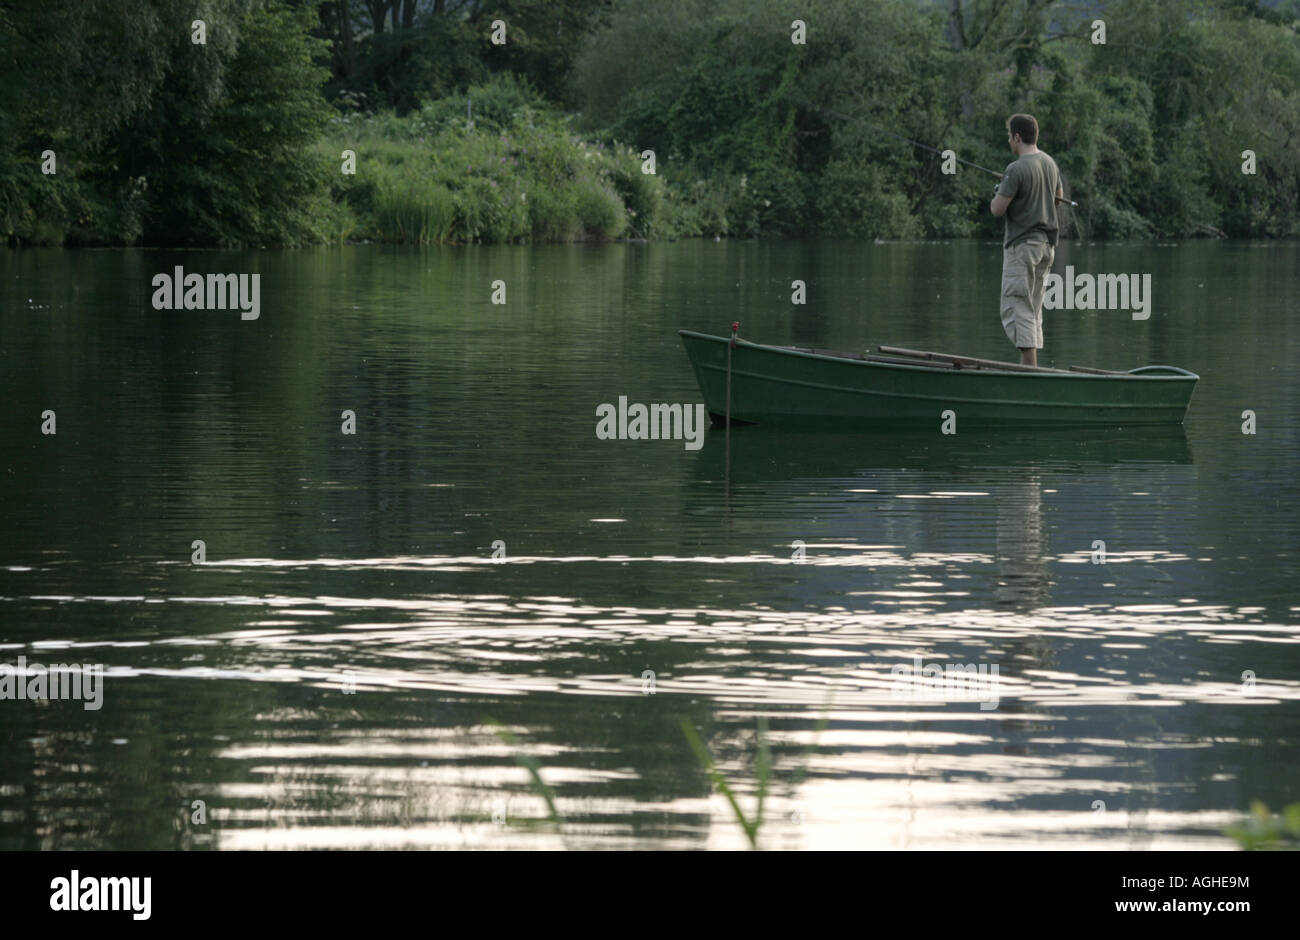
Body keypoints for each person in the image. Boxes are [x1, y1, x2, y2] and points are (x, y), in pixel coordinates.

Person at [989, 114, 1063, 366]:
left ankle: (1029, 373)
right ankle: (1030, 370)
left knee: (1017, 306)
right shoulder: (1050, 163)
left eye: (1009, 135)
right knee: (1032, 308)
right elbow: (1057, 199)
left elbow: (997, 209)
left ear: (1018, 137)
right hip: (1046, 247)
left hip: (1023, 248)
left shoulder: (1016, 169)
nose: (1009, 140)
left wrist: (999, 192)